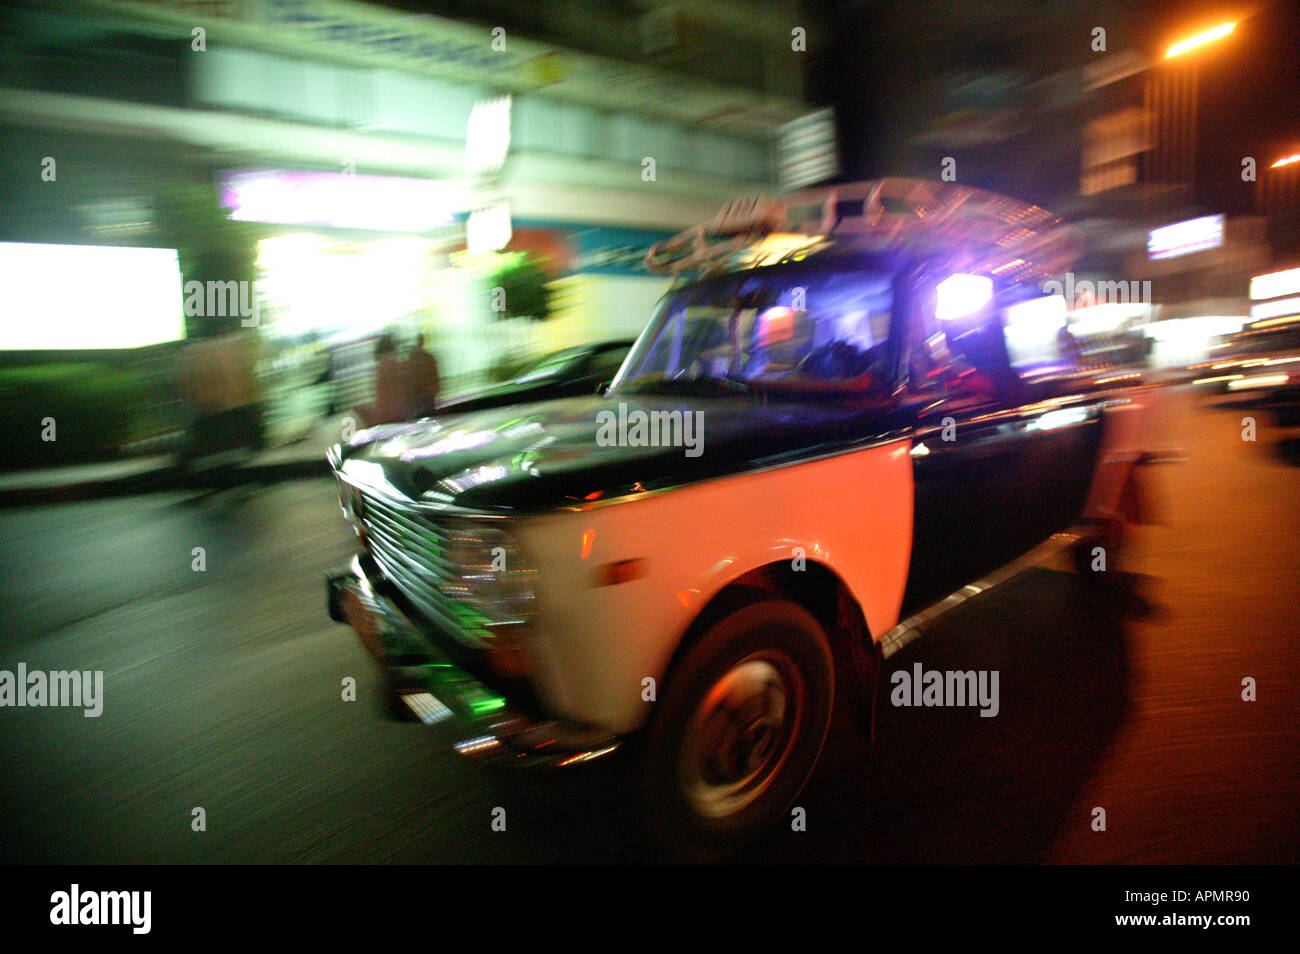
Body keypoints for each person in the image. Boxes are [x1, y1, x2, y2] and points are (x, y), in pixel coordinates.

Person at [356, 333, 410, 426]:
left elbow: (380, 396)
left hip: (389, 417)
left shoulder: (382, 367)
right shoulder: (396, 365)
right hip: (398, 415)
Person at [405, 332, 442, 418]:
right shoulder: (429, 357)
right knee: (430, 416)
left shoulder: (411, 359)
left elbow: (409, 379)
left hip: (417, 395)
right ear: (423, 342)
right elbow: (435, 376)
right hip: (428, 394)